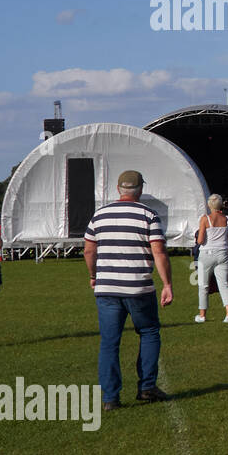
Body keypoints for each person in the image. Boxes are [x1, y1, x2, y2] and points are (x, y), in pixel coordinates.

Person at [82, 169, 174, 411]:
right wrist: (167, 284)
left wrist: (93, 275)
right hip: (138, 287)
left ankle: (110, 398)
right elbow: (159, 251)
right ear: (140, 189)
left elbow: (89, 250)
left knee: (109, 342)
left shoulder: (99, 215)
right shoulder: (148, 215)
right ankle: (147, 387)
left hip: (107, 288)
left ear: (118, 189)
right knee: (149, 332)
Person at [195, 193, 228, 323]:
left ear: (209, 205)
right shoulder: (227, 219)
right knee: (223, 284)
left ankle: (202, 315)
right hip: (223, 253)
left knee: (203, 286)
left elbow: (200, 240)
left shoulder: (205, 219)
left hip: (207, 253)